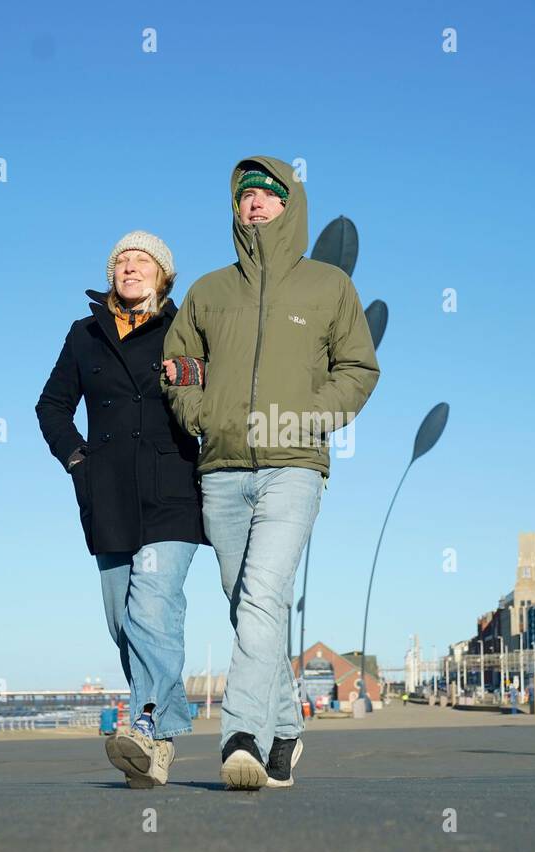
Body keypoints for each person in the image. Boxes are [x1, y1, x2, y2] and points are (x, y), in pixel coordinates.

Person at [162, 156, 380, 790]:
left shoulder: (328, 286)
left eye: (267, 194)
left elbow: (359, 369)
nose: (254, 203)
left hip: (294, 466)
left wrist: (307, 417)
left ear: (291, 206)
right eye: (244, 196)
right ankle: (286, 729)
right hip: (222, 469)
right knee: (248, 604)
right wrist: (198, 413)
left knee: (261, 594)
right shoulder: (208, 291)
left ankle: (242, 736)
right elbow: (179, 363)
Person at [35, 231, 204, 789]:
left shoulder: (186, 328)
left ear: (164, 275)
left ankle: (149, 727)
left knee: (153, 608)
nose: (130, 268)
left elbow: (213, 392)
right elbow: (52, 405)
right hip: (106, 488)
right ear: (111, 275)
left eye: (142, 261)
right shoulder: (84, 334)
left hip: (171, 485)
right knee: (121, 620)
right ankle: (157, 737)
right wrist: (77, 459)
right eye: (121, 262)